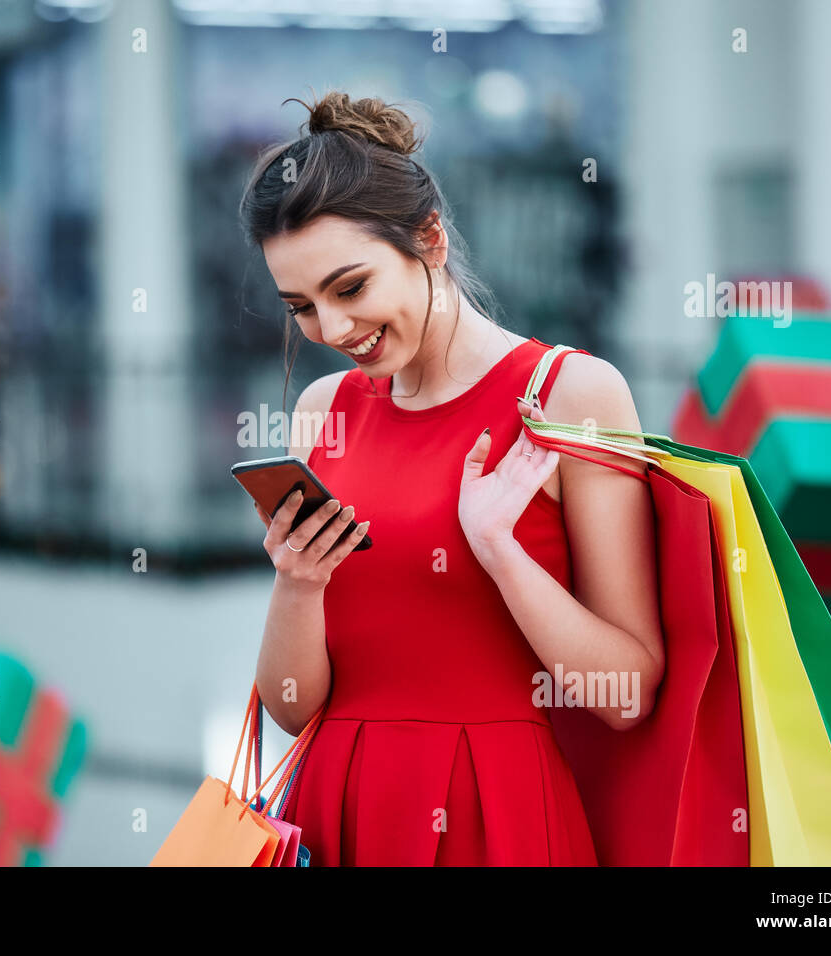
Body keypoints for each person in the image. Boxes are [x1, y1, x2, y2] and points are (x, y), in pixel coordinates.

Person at [237, 92, 665, 865]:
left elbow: (628, 695)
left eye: (350, 287)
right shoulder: (323, 410)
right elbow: (293, 711)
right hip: (338, 814)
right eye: (299, 307)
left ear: (428, 239)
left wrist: (503, 554)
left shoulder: (572, 394)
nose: (332, 332)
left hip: (495, 816)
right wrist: (296, 585)